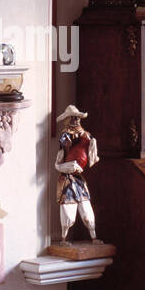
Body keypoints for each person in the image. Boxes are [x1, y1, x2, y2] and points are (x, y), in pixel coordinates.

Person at [54, 104, 100, 242]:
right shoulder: (66, 135)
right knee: (68, 213)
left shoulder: (85, 135)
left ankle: (94, 237)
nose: (75, 121)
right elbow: (64, 146)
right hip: (67, 179)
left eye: (76, 118)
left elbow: (91, 149)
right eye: (72, 118)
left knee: (87, 212)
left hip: (78, 179)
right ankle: (63, 238)